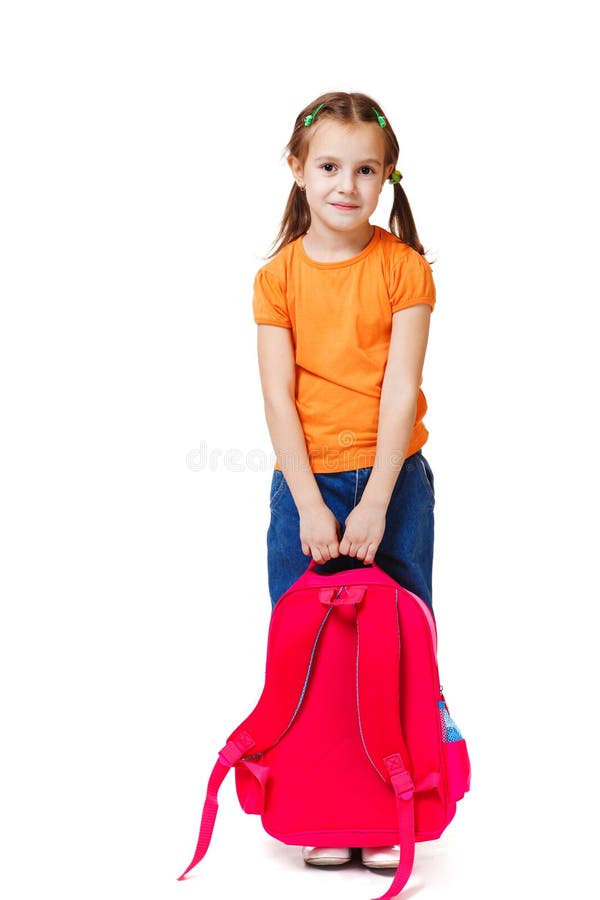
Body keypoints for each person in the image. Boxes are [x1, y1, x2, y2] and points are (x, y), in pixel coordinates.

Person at [252, 91, 437, 871]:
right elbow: (277, 396)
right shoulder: (276, 278)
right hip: (306, 486)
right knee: (312, 654)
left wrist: (375, 500)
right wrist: (308, 504)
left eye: (367, 170)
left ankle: (390, 803)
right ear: (297, 171)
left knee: (393, 649)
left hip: (392, 486)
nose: (347, 186)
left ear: (388, 177)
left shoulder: (405, 270)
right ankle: (324, 807)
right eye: (329, 166)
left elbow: (399, 391)